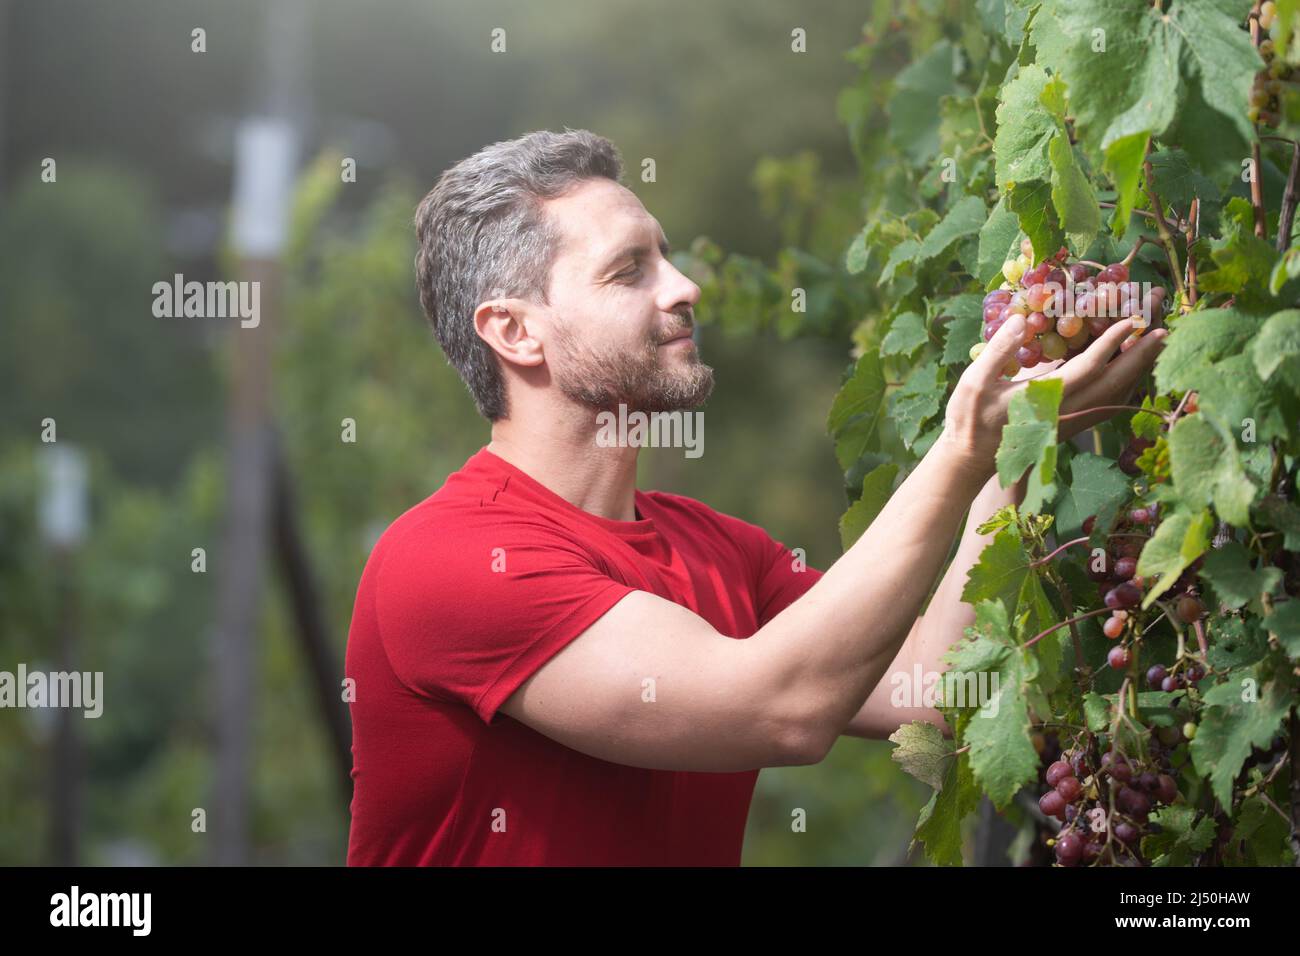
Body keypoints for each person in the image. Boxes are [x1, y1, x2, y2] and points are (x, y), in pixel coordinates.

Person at [344, 128, 1167, 866]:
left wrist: (1013, 452)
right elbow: (784, 709)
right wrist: (960, 447)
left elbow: (932, 687)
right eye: (629, 270)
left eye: (666, 256)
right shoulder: (448, 559)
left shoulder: (719, 548)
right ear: (516, 332)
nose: (685, 287)